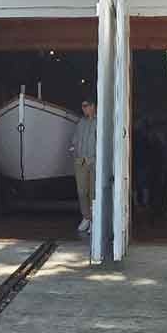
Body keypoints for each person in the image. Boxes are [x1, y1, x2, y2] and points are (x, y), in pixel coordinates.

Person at [69, 97, 97, 234]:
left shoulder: (99, 122)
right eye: (82, 106)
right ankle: (86, 217)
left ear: (93, 106)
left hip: (94, 161)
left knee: (93, 192)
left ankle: (93, 220)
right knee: (81, 191)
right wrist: (74, 151)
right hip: (80, 162)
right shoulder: (80, 123)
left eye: (86, 105)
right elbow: (74, 140)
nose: (84, 108)